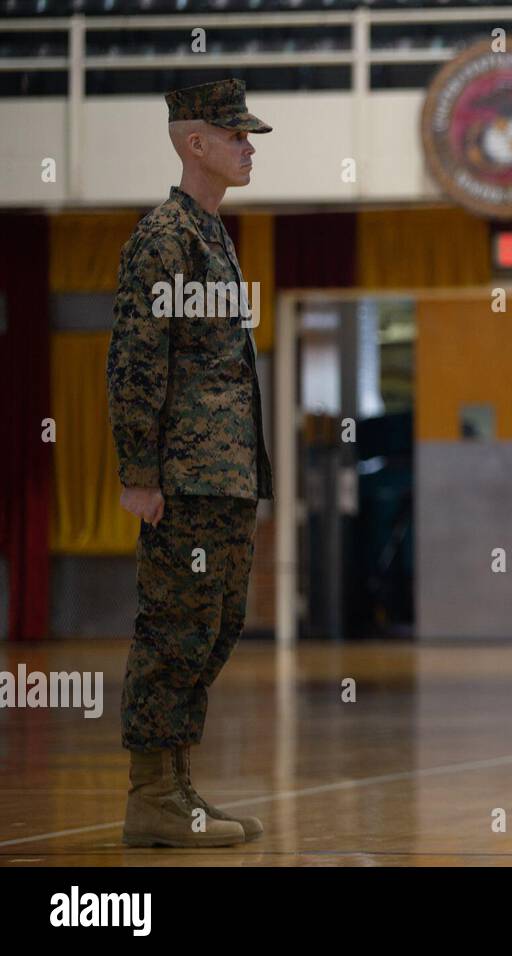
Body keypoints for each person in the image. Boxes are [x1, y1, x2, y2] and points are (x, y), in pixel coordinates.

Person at [107, 78, 274, 847]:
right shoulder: (166, 236)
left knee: (213, 627)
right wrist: (139, 474)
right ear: (193, 142)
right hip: (184, 477)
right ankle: (153, 796)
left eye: (250, 137)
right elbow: (137, 362)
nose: (248, 148)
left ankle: (177, 784)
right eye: (236, 135)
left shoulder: (213, 235)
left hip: (226, 477)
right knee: (174, 628)